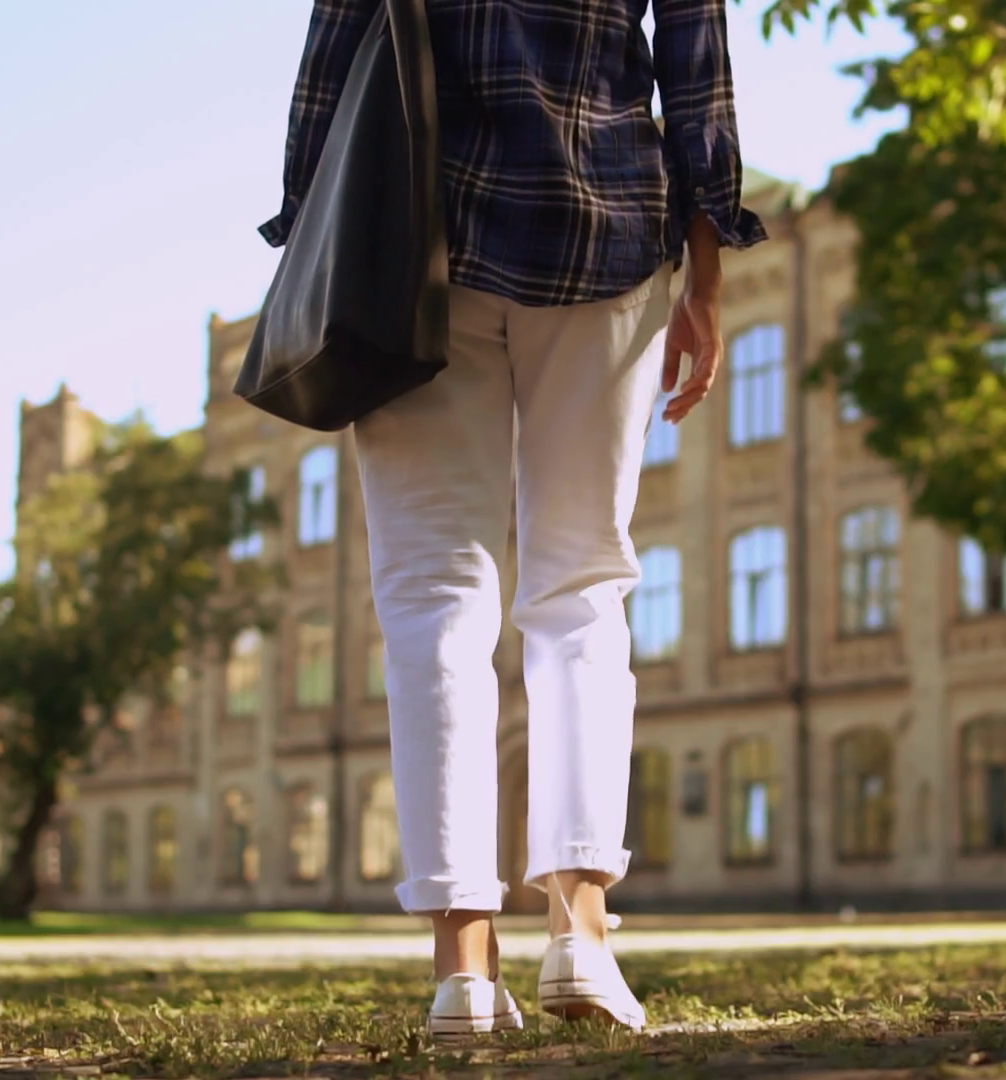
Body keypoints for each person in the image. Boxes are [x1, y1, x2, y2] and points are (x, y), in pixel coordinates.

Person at [260, 0, 764, 1038]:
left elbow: (338, 38)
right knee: (581, 586)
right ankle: (580, 933)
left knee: (434, 594)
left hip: (413, 229)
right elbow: (695, 50)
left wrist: (309, 218)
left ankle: (461, 964)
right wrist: (704, 269)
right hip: (605, 219)